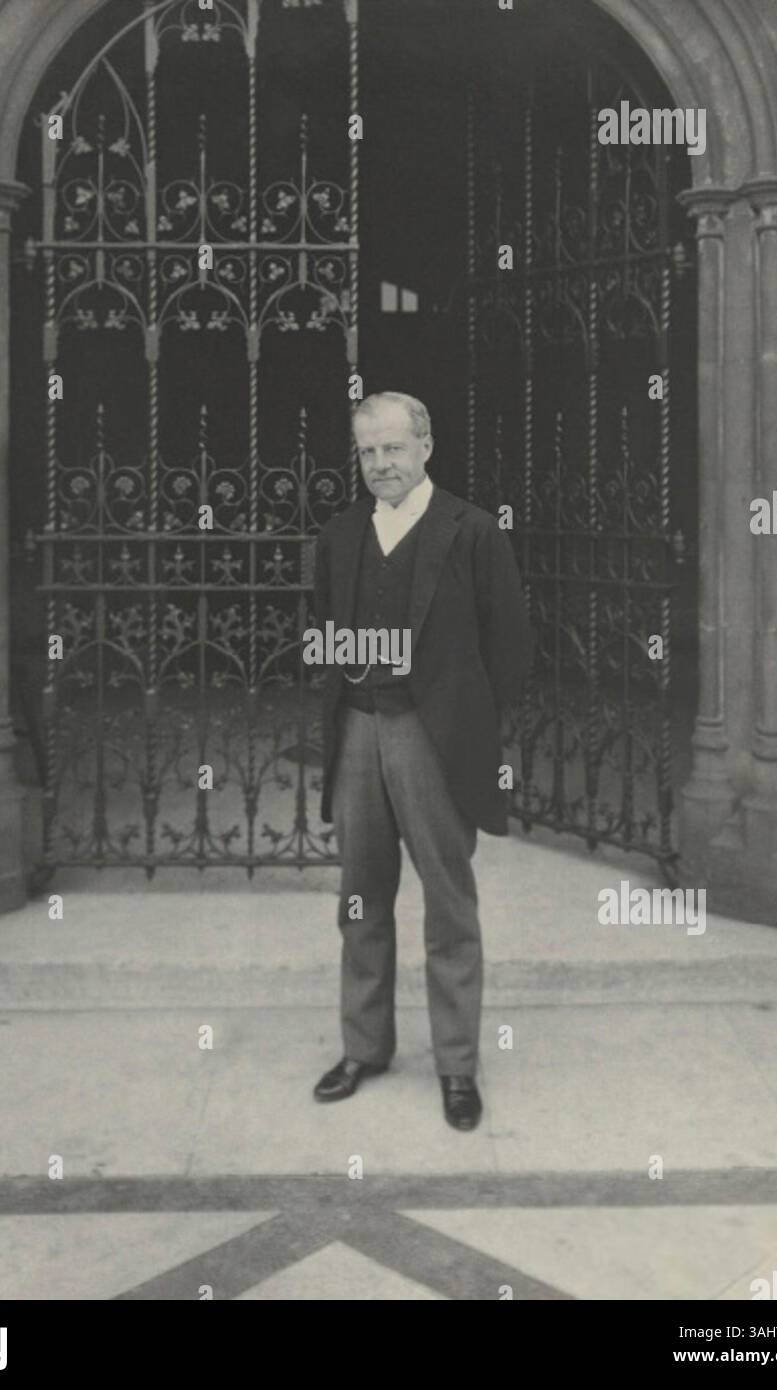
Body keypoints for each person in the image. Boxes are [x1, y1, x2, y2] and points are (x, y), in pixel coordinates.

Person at [311, 391, 532, 1130]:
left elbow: (510, 651)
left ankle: (457, 1066)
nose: (381, 464)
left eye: (394, 449)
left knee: (448, 901)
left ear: (426, 447)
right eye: (368, 452)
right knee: (360, 898)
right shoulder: (341, 535)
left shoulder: (472, 532)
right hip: (359, 732)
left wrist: (464, 725)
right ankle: (364, 1047)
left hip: (432, 740)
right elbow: (326, 637)